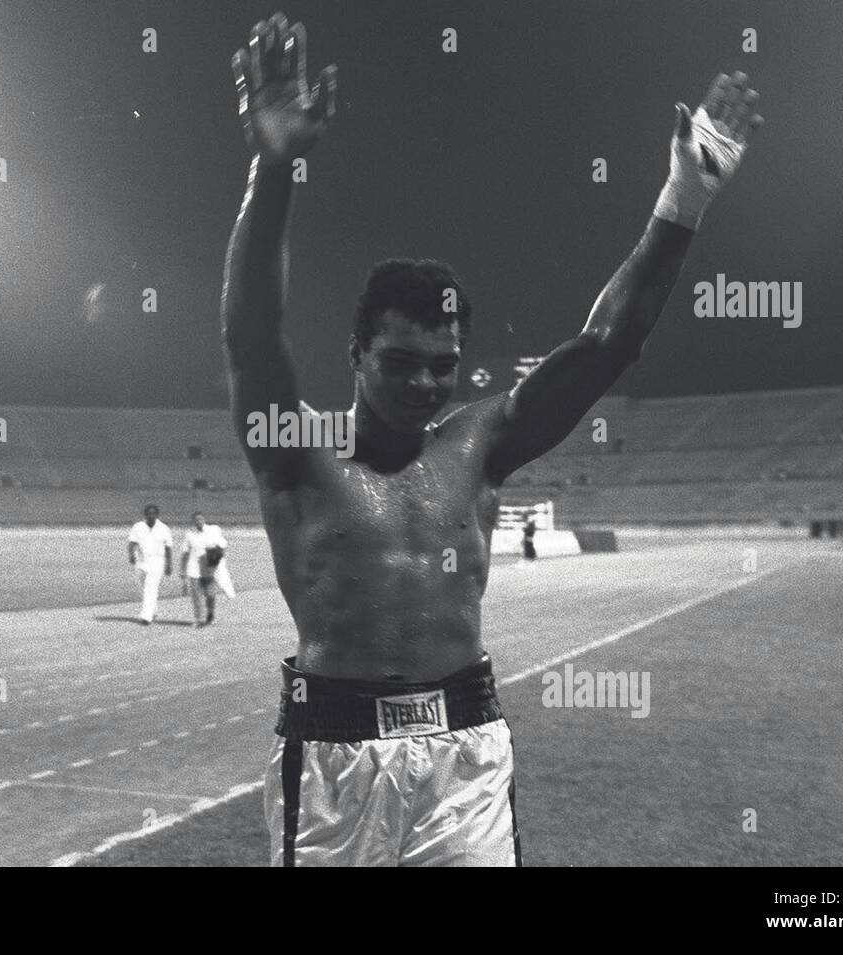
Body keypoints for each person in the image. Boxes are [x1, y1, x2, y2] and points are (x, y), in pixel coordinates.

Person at [223, 13, 762, 865]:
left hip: (464, 748)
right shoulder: (297, 452)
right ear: (355, 355)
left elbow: (605, 346)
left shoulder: (479, 444)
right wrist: (277, 163)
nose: (425, 384)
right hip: (332, 757)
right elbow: (253, 335)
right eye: (400, 362)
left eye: (444, 366)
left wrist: (683, 200)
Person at [180, 511, 229, 627]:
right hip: (194, 569)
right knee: (196, 596)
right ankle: (198, 619)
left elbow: (222, 546)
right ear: (193, 522)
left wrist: (218, 556)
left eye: (201, 519)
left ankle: (210, 613)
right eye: (196, 520)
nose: (199, 522)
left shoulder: (212, 531)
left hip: (208, 568)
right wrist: (182, 570)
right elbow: (185, 553)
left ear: (204, 520)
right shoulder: (189, 534)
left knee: (210, 595)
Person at [127, 504, 172, 625]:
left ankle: (146, 616)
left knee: (150, 587)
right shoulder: (138, 527)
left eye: (153, 513)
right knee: (144, 586)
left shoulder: (164, 528)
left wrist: (169, 564)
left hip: (157, 560)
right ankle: (153, 609)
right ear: (145, 515)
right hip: (141, 560)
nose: (151, 516)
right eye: (148, 513)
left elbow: (168, 548)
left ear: (157, 515)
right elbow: (132, 542)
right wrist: (131, 554)